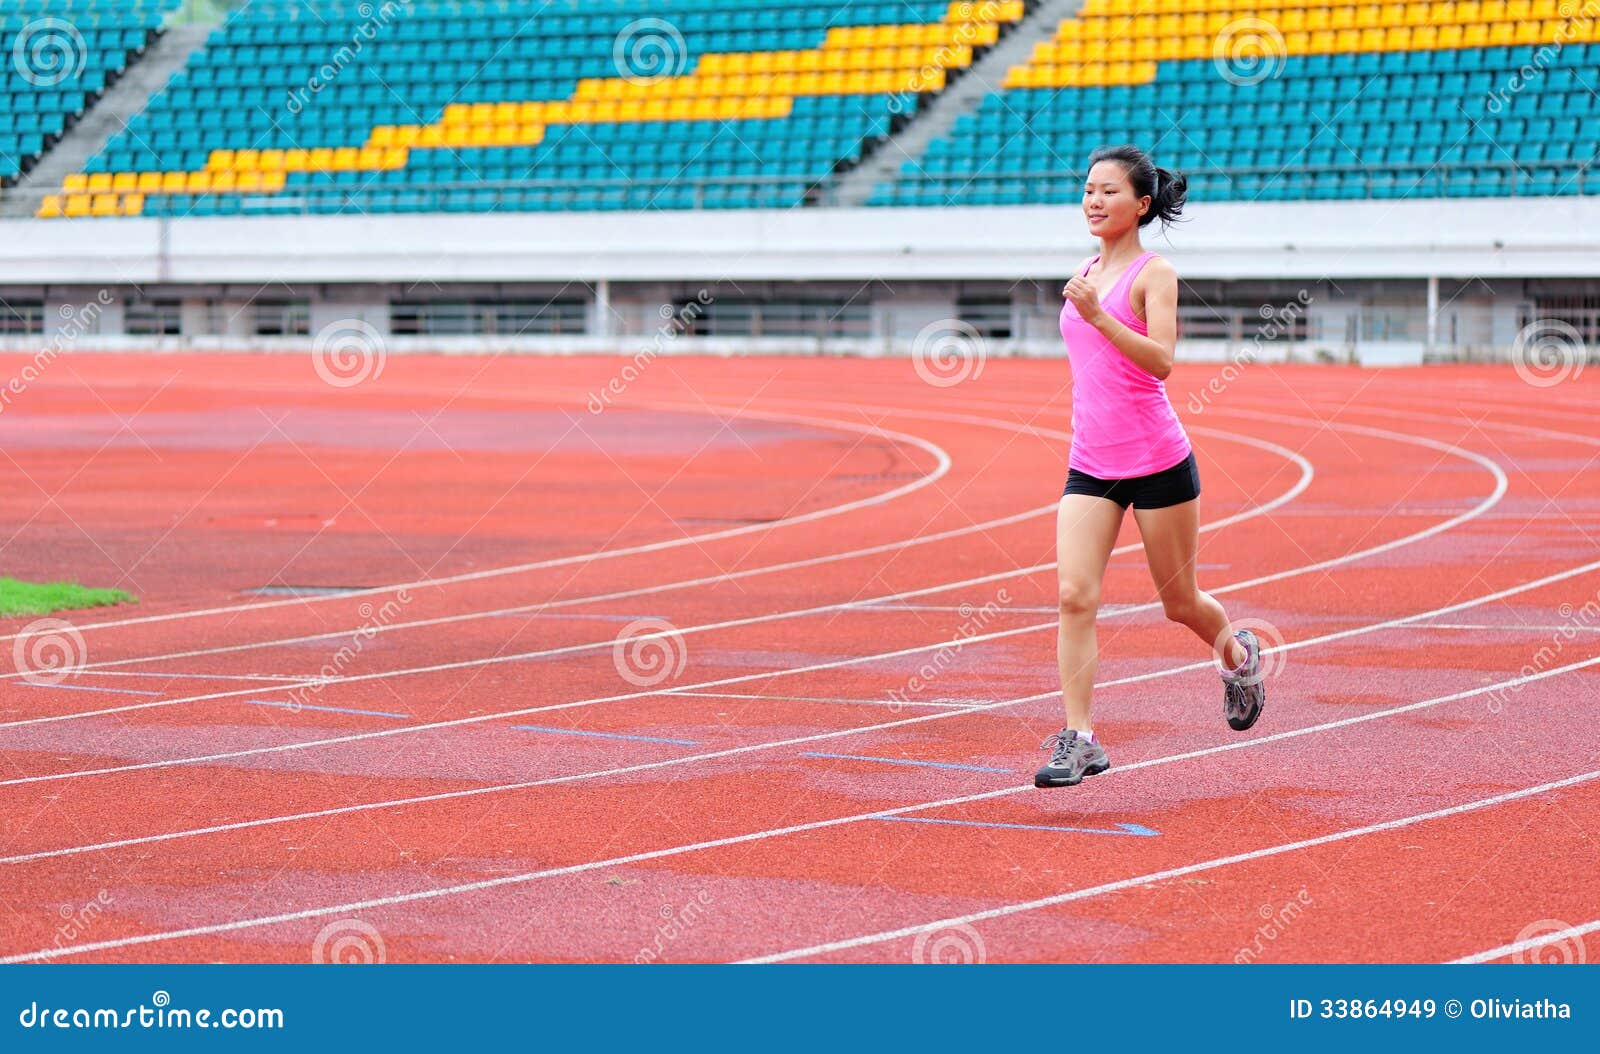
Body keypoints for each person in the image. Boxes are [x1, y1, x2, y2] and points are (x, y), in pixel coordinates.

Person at [1035, 144, 1265, 790]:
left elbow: (1162, 361)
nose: (1093, 200)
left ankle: (1240, 657)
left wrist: (1098, 315)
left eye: (1107, 191)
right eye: (1087, 190)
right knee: (1074, 596)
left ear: (1140, 205)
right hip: (1091, 465)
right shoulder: (1085, 270)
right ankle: (1079, 738)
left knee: (1180, 603)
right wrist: (1091, 309)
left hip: (1158, 461)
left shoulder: (1152, 274)